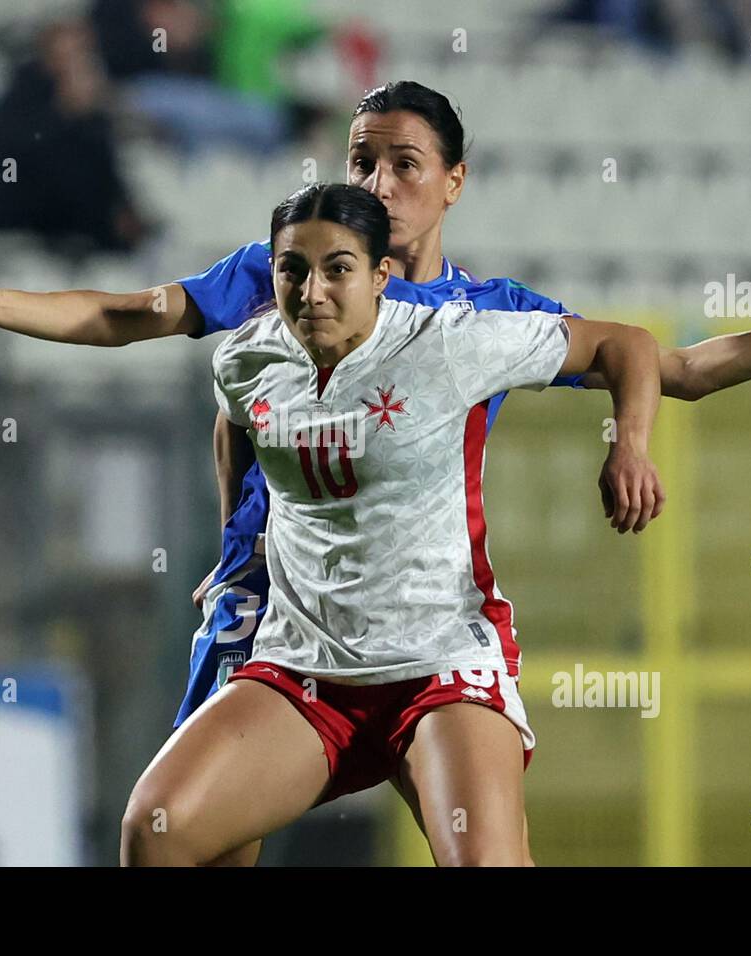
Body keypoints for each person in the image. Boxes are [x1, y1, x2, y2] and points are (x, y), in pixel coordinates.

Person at [0, 80, 751, 864]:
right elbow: (171, 347)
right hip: (280, 628)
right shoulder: (286, 277)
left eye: (405, 164)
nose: (377, 182)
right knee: (172, 834)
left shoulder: (478, 322)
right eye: (361, 159)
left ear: (455, 181)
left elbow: (674, 367)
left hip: (429, 635)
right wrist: (240, 536)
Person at [122, 182, 662, 865]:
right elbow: (234, 423)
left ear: (380, 275)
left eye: (338, 270)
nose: (312, 291)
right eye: (292, 270)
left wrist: (631, 445)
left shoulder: (451, 341)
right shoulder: (248, 356)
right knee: (157, 828)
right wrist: (239, 542)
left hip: (438, 667)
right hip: (305, 668)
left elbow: (627, 344)